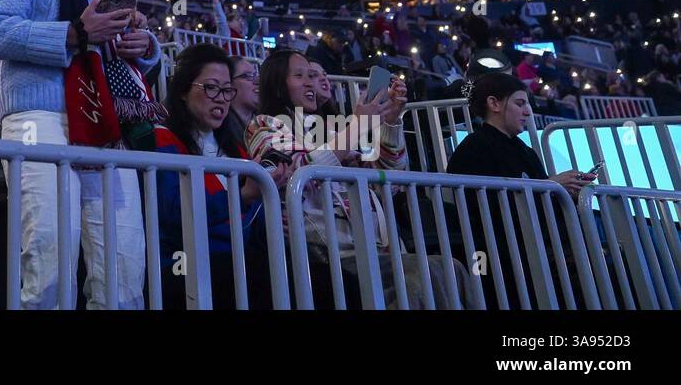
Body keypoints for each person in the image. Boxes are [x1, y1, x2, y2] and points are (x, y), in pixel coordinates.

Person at [0, 0, 162, 309]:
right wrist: (77, 33)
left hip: (104, 123)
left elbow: (111, 42)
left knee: (124, 269)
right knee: (48, 264)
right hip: (38, 117)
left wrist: (144, 46)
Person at [245, 48, 475, 309]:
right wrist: (358, 126)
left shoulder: (334, 128)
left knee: (451, 268)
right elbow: (295, 171)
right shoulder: (264, 125)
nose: (309, 82)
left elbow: (390, 176)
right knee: (420, 275)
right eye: (299, 75)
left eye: (312, 74)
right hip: (326, 253)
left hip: (376, 247)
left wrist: (390, 122)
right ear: (276, 85)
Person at [447, 70, 598, 308]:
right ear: (494, 103)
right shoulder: (472, 148)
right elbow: (484, 210)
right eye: (520, 103)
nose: (528, 111)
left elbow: (539, 200)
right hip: (499, 255)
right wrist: (549, 186)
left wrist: (566, 193)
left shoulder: (525, 151)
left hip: (538, 248)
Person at [154, 44, 287, 308]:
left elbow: (250, 220)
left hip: (240, 258)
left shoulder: (235, 148)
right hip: (187, 262)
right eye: (211, 88)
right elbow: (174, 214)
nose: (221, 98)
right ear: (182, 90)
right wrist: (242, 196)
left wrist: (272, 217)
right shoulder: (163, 139)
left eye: (227, 90)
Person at [220, 55, 260, 145]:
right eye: (247, 76)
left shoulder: (267, 125)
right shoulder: (219, 130)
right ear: (228, 85)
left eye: (255, 75)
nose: (257, 81)